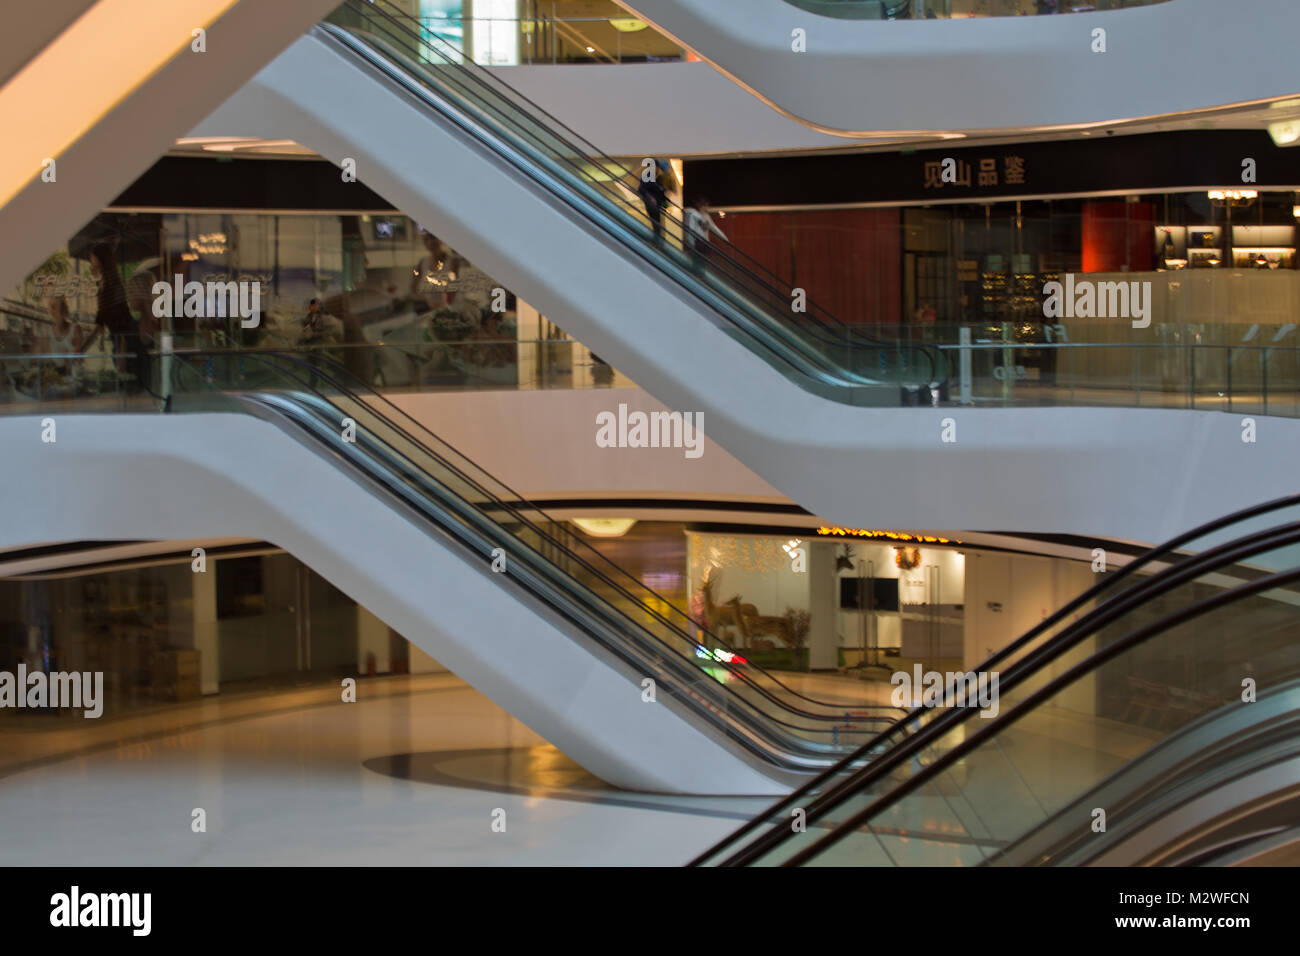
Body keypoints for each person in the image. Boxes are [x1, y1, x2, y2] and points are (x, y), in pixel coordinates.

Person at [86, 243, 147, 394]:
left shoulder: (112, 287)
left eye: (94, 262)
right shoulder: (105, 287)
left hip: (126, 344)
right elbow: (101, 324)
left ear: (102, 263)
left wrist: (121, 354)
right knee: (127, 388)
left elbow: (121, 324)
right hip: (120, 343)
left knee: (130, 387)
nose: (92, 267)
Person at [685, 198, 727, 274]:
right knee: (697, 260)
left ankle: (701, 275)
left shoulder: (706, 216)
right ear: (701, 206)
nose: (707, 207)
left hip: (705, 242)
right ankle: (696, 275)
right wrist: (691, 242)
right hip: (697, 241)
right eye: (706, 205)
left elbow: (713, 227)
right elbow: (691, 229)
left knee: (703, 261)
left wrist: (723, 237)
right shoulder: (694, 215)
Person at [636, 159, 673, 242]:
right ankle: (658, 242)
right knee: (657, 225)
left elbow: (660, 194)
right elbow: (642, 189)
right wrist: (650, 198)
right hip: (653, 205)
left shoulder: (655, 177)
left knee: (658, 225)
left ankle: (658, 241)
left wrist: (666, 205)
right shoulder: (648, 177)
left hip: (656, 205)